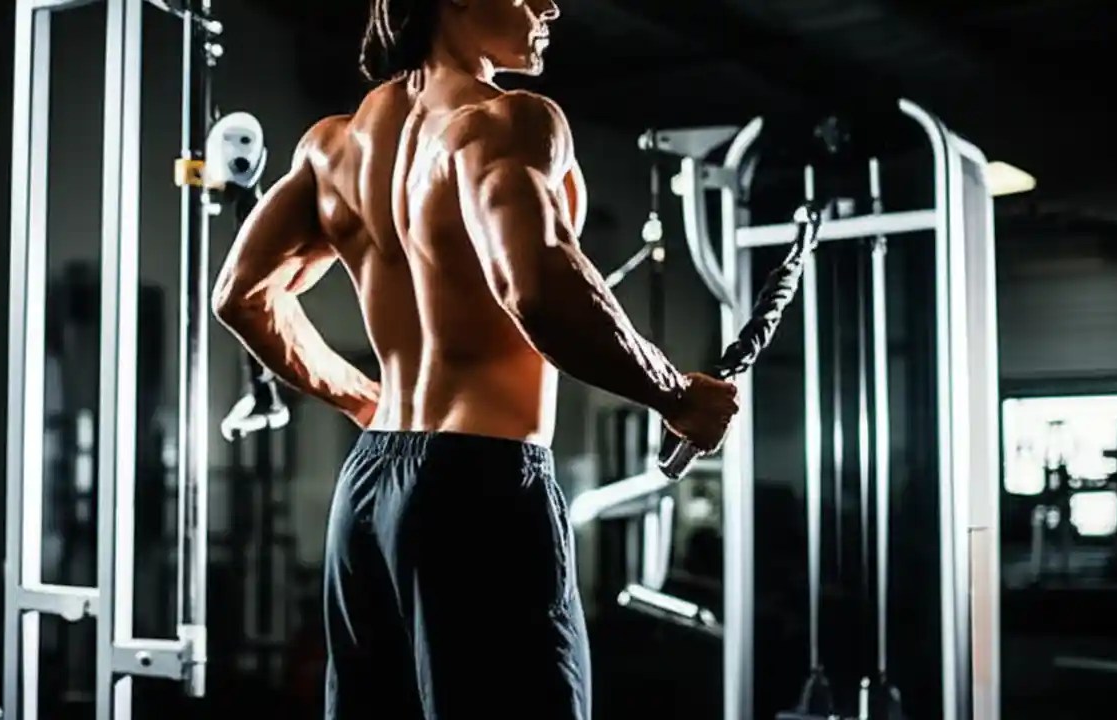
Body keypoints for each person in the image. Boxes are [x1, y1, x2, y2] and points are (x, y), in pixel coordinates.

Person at [211, 0, 742, 717]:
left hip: (369, 491)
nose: (550, 4)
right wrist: (677, 395)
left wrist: (364, 402)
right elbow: (537, 287)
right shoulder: (508, 121)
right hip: (480, 485)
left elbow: (243, 295)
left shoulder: (335, 146)